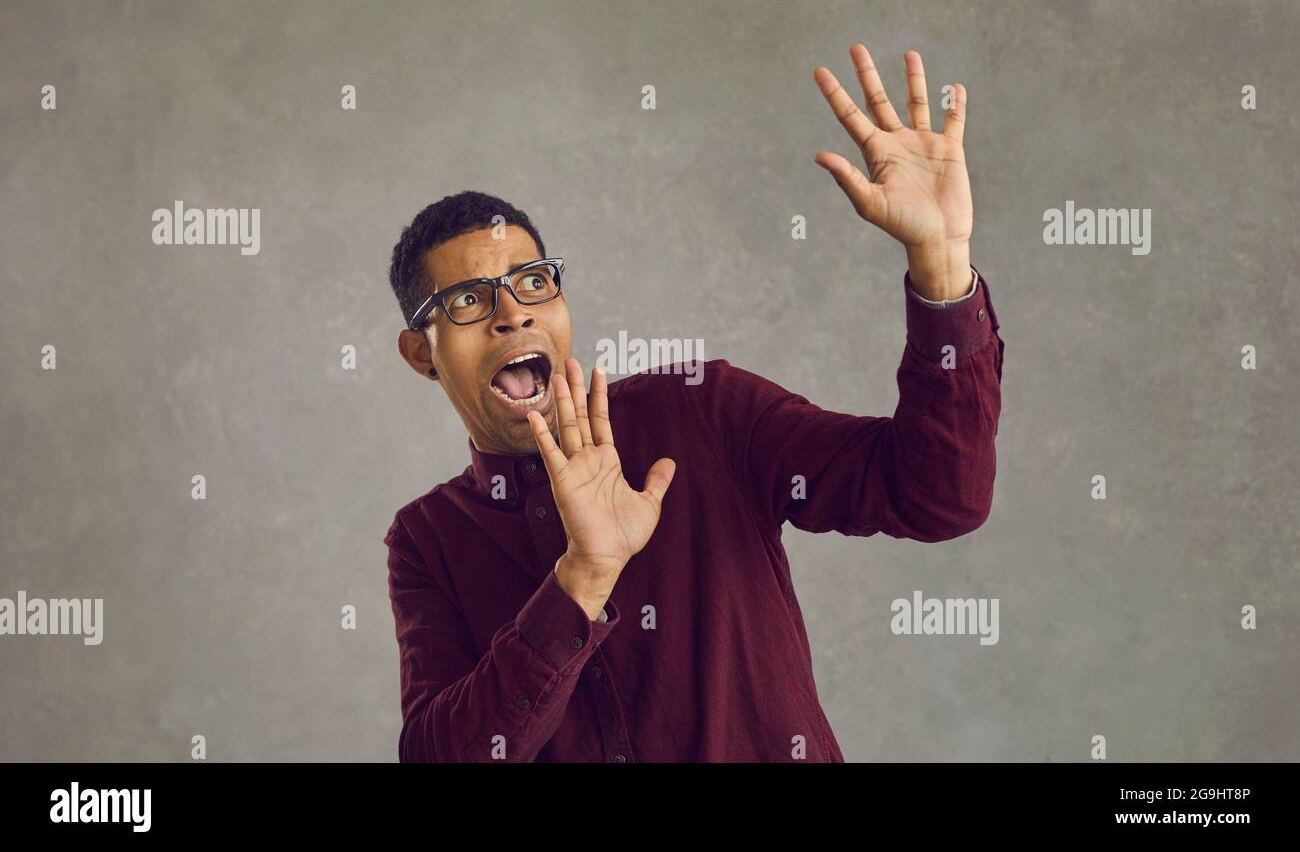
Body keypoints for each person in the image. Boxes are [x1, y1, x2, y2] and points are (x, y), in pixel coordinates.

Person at [385, 44, 1004, 762]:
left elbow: (939, 496)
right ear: (421, 353)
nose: (512, 314)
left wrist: (941, 262)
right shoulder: (426, 539)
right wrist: (583, 574)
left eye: (532, 282)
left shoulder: (702, 409)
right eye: (467, 300)